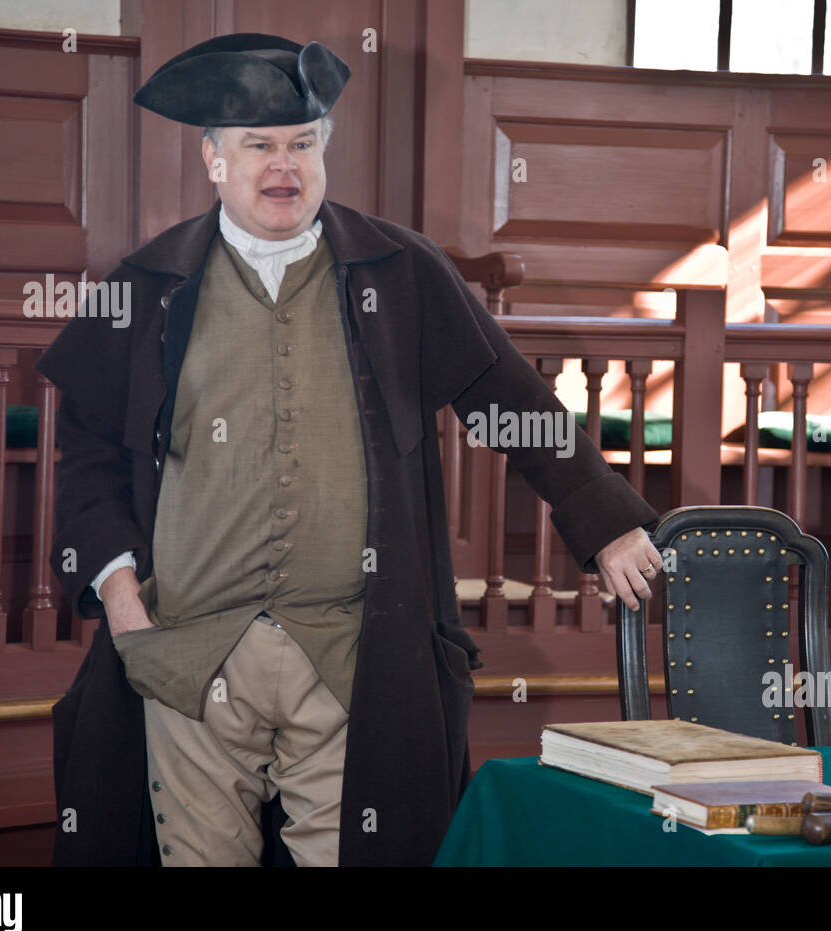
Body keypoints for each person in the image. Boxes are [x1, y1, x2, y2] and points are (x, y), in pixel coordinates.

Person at [34, 33, 662, 867]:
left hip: (352, 659)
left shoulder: (398, 272)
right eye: (257, 145)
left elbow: (512, 401)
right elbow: (88, 460)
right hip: (185, 657)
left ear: (325, 152)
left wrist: (605, 519)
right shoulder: (146, 287)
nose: (282, 165)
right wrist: (122, 604)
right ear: (213, 162)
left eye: (301, 143)